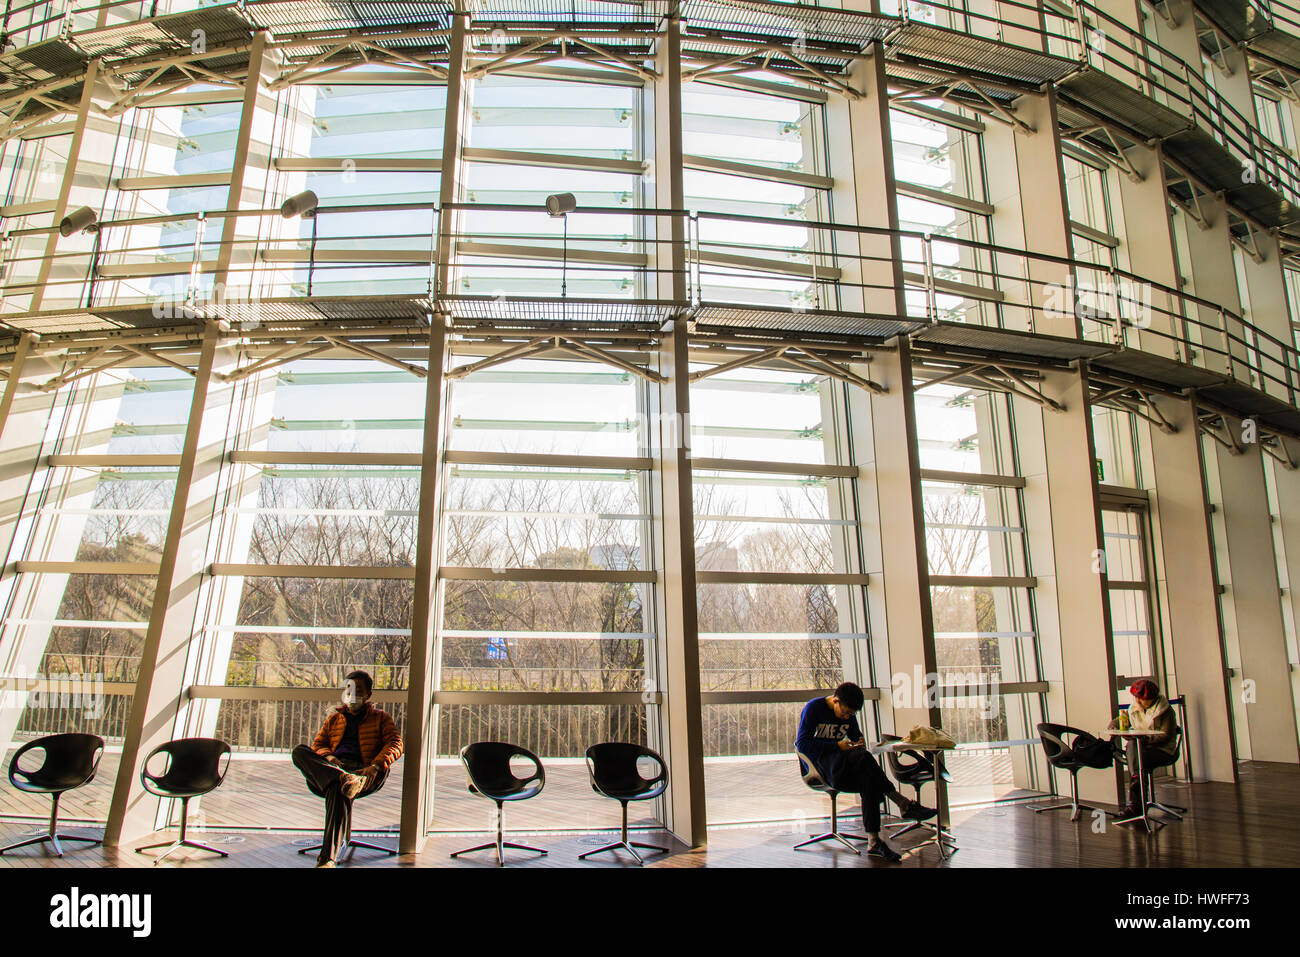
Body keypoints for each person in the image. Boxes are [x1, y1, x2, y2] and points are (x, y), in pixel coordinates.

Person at [795, 682, 937, 862]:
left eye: (850, 715)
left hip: (844, 768)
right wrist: (837, 745)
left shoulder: (849, 714)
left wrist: (858, 741)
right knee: (864, 759)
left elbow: (855, 735)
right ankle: (903, 803)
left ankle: (874, 841)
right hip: (822, 767)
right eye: (844, 713)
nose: (846, 717)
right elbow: (803, 744)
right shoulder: (814, 708)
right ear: (836, 700)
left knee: (869, 779)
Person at [292, 670, 403, 868]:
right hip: (335, 767)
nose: (353, 694)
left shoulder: (380, 718)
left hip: (363, 771)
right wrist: (329, 756)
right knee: (300, 751)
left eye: (358, 689)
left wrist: (376, 765)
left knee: (337, 788)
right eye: (349, 688)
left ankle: (327, 859)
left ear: (368, 694)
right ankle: (342, 779)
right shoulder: (334, 719)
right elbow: (318, 745)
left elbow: (396, 743)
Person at [1108, 678, 1178, 817]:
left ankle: (1135, 803)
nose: (1138, 702)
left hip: (1162, 750)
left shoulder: (1165, 711)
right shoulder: (1134, 708)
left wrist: (1142, 739)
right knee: (1135, 750)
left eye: (1142, 699)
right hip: (1141, 750)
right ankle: (1137, 791)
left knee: (1136, 753)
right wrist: (1114, 726)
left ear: (1153, 698)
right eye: (1137, 698)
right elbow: (1120, 719)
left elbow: (1165, 735)